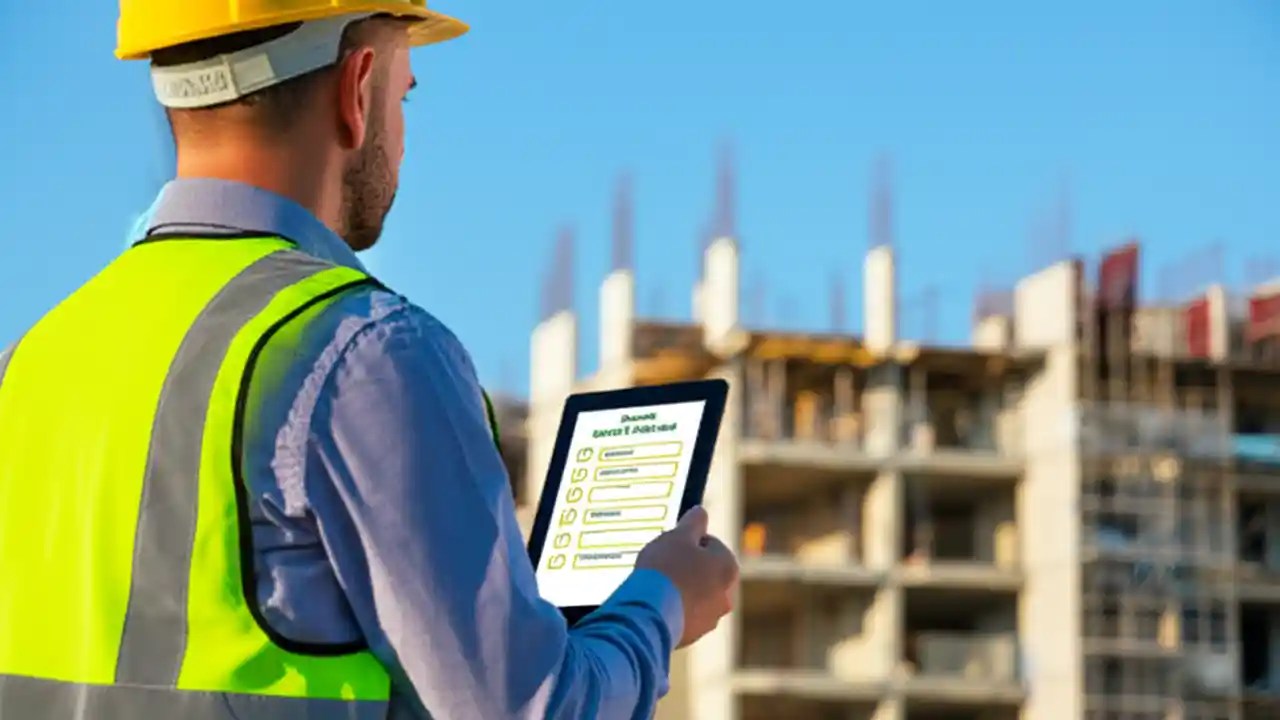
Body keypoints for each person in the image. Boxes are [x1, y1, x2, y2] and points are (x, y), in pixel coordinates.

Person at [0, 2, 739, 719]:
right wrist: (661, 601)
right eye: (403, 94)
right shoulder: (366, 351)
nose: (403, 131)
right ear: (356, 90)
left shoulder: (33, 359)